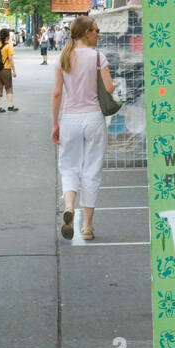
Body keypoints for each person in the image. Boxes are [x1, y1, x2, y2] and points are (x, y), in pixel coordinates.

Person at [52, 16, 115, 241]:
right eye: (96, 30)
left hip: (70, 118)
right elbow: (108, 87)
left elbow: (57, 93)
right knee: (92, 170)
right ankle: (87, 226)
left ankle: (69, 206)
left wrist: (55, 123)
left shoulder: (64, 57)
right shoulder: (98, 57)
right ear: (87, 32)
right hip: (94, 118)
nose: (98, 34)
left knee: (69, 166)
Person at [0, 27, 18, 112]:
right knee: (9, 87)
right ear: (7, 36)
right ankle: (10, 106)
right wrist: (14, 71)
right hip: (5, 69)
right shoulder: (8, 47)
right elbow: (11, 60)